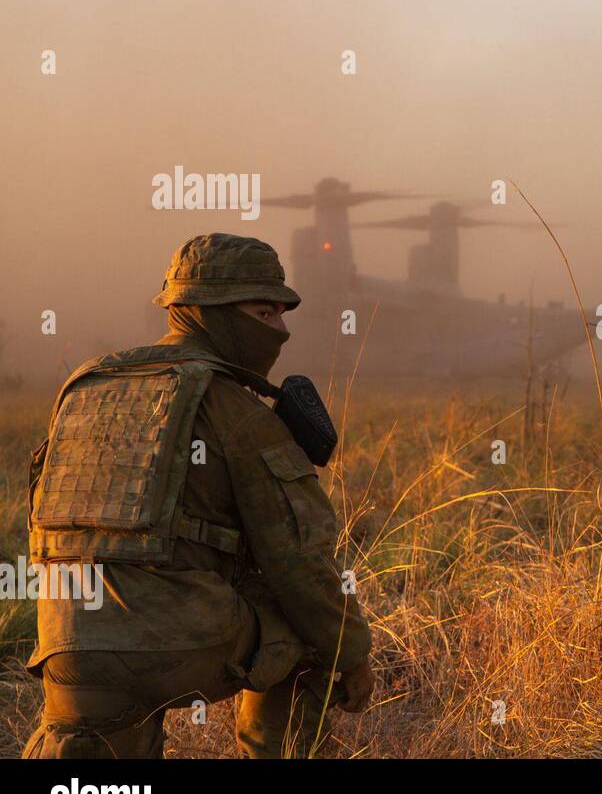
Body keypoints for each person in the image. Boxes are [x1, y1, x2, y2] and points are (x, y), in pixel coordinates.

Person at [23, 233, 373, 759]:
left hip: (67, 643)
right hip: (177, 646)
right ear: (209, 312)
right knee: (311, 633)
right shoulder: (234, 407)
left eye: (282, 314)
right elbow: (300, 566)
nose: (281, 329)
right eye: (265, 312)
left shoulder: (86, 386)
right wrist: (351, 652)